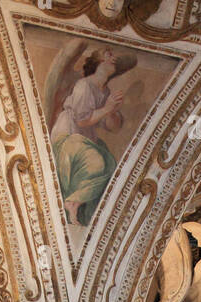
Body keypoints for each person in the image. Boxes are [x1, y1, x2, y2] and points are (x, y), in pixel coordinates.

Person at [50, 49, 136, 226]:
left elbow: (113, 127)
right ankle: (72, 202)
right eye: (108, 55)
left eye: (113, 55)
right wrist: (106, 109)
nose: (113, 57)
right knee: (96, 162)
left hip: (85, 141)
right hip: (68, 138)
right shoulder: (84, 85)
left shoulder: (105, 92)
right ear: (97, 62)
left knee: (111, 165)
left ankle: (79, 207)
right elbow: (82, 120)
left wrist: (111, 110)